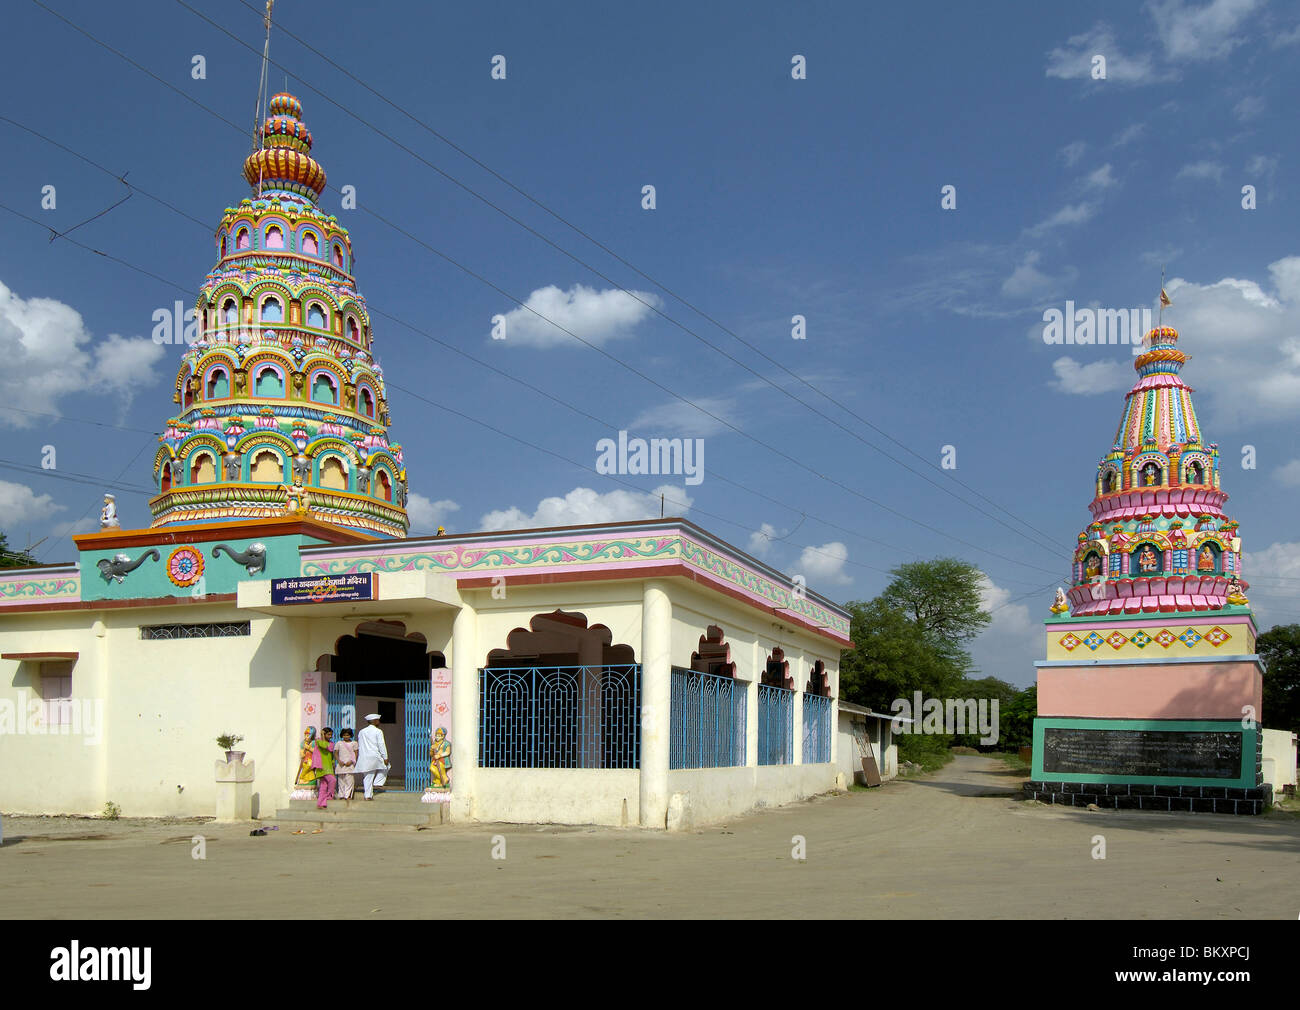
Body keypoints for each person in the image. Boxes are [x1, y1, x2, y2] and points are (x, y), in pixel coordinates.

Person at [355, 713, 390, 800]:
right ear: (374, 721)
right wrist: (385, 757)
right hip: (374, 756)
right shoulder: (378, 731)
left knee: (367, 776)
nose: (379, 722)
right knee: (387, 766)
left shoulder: (362, 731)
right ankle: (377, 782)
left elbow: (360, 744)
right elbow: (381, 744)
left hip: (364, 756)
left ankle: (368, 795)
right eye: (378, 720)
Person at [315, 727, 337, 809]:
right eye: (328, 734)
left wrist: (333, 763)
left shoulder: (331, 743)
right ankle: (329, 796)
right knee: (333, 780)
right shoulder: (318, 741)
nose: (330, 736)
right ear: (324, 734)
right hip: (321, 766)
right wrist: (322, 736)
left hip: (329, 767)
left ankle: (321, 803)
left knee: (323, 786)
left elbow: (330, 749)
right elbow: (324, 745)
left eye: (331, 734)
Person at [335, 727, 358, 800]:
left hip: (350, 765)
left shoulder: (354, 743)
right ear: (342, 735)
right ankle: (341, 795)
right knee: (341, 781)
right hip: (341, 765)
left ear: (351, 735)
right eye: (344, 735)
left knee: (349, 781)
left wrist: (351, 761)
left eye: (348, 735)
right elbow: (335, 753)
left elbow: (356, 753)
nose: (346, 737)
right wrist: (339, 761)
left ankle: (347, 796)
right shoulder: (339, 743)